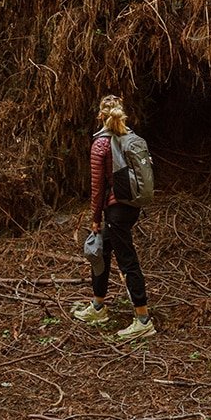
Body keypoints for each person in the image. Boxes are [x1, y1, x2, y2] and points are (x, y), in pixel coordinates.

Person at [71, 94, 155, 340]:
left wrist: (95, 219)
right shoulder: (129, 138)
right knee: (102, 251)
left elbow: (97, 188)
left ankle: (143, 320)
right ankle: (98, 307)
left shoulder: (101, 144)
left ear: (100, 115)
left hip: (115, 211)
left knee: (127, 261)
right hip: (130, 207)